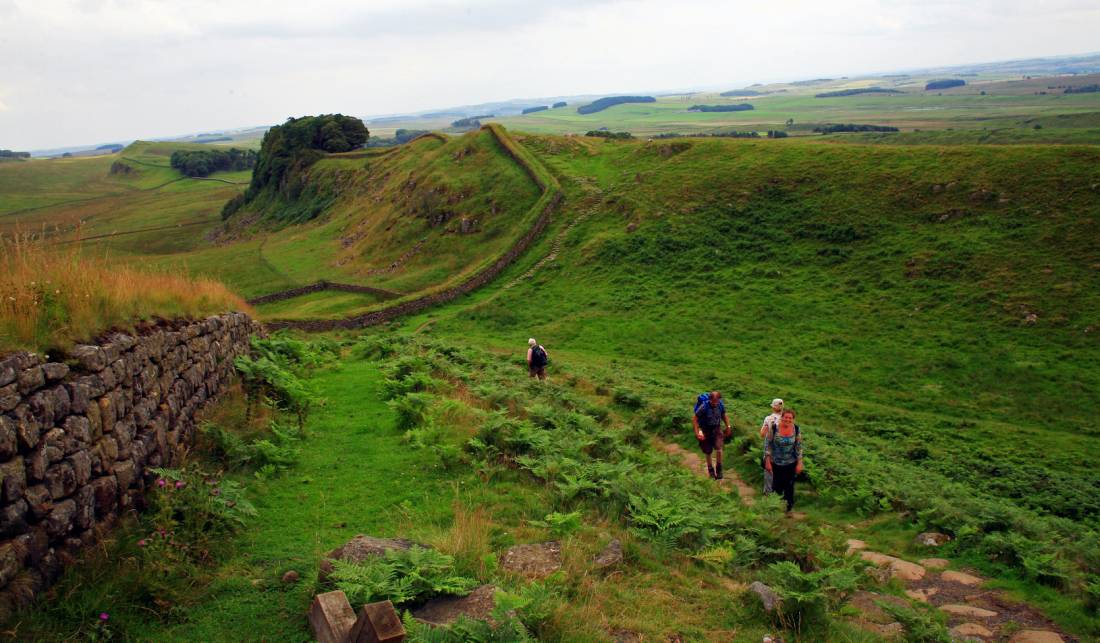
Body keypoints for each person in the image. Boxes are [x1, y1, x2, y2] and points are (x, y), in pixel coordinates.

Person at [764, 408, 803, 513]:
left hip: (791, 462)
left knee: (789, 486)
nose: (787, 420)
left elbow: (798, 447)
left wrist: (800, 462)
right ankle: (774, 508)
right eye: (786, 417)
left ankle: (788, 509)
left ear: (793, 419)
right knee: (776, 486)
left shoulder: (796, 429)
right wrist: (767, 461)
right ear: (782, 417)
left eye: (790, 418)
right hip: (776, 462)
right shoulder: (774, 428)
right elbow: (768, 445)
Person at [693, 391, 732, 480]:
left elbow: (724, 415)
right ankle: (711, 471)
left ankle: (719, 469)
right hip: (705, 429)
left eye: (716, 402)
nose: (715, 404)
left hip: (716, 429)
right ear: (710, 399)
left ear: (719, 400)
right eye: (713, 402)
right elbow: (695, 419)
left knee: (719, 448)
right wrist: (697, 432)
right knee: (708, 451)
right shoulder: (704, 406)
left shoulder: (720, 405)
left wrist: (728, 426)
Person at [759, 398, 784, 494]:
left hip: (769, 445)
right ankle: (778, 492)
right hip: (783, 446)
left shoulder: (768, 418)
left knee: (769, 469)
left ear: (773, 407)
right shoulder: (787, 418)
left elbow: (762, 434)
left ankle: (768, 493)